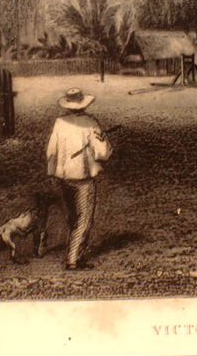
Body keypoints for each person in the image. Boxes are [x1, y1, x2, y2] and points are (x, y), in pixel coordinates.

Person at [46, 87, 114, 270]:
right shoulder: (91, 123)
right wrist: (104, 140)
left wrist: (52, 173)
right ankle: (73, 259)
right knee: (84, 219)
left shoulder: (59, 122)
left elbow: (51, 151)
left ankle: (74, 253)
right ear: (83, 103)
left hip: (64, 177)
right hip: (83, 178)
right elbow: (102, 153)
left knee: (74, 217)